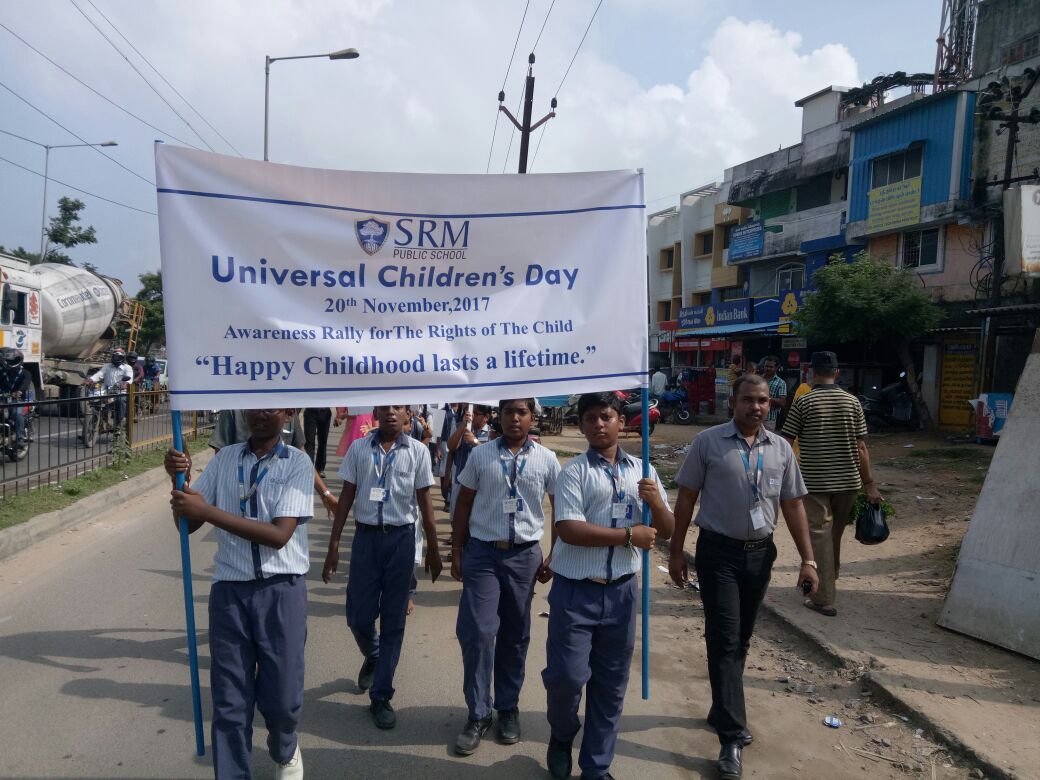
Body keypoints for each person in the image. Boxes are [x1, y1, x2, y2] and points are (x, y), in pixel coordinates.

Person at [670, 374, 818, 779]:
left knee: (742, 637)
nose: (757, 407)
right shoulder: (708, 443)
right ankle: (732, 737)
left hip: (760, 555)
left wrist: (809, 560)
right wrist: (675, 551)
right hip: (718, 553)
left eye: (764, 401)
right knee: (725, 638)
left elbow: (793, 506)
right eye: (749, 400)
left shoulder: (781, 449)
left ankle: (722, 706)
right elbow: (686, 498)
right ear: (732, 402)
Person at [164, 409, 313, 780]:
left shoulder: (297, 463)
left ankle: (285, 748)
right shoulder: (226, 458)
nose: (260, 414)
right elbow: (189, 521)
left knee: (282, 700)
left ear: (289, 414)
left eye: (272, 407)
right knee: (230, 701)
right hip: (230, 591)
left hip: (282, 590)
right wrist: (177, 484)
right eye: (253, 405)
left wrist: (207, 510)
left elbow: (279, 536)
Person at [542, 392, 674, 780]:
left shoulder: (644, 469)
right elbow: (568, 529)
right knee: (566, 678)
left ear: (621, 421)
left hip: (621, 591)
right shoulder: (574, 472)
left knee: (611, 684)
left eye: (606, 416)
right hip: (575, 591)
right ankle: (563, 734)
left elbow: (663, 531)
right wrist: (628, 535)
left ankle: (596, 768)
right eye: (590, 418)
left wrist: (658, 504)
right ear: (581, 426)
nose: (599, 424)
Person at [450, 398, 561, 757]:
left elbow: (561, 505)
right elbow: (463, 503)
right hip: (483, 553)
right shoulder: (481, 455)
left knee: (515, 634)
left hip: (524, 556)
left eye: (522, 412)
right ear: (499, 415)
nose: (515, 418)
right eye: (509, 411)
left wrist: (554, 554)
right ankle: (478, 712)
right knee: (479, 631)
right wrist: (457, 551)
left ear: (532, 417)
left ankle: (508, 708)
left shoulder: (547, 459)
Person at [322, 404, 443, 730]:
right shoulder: (359, 448)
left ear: (409, 416)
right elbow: (347, 496)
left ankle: (382, 694)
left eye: (399, 408)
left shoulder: (418, 451)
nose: (391, 412)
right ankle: (372, 653)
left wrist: (433, 547)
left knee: (393, 621)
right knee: (358, 616)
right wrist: (334, 545)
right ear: (376, 411)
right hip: (366, 541)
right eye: (385, 407)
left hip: (401, 542)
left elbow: (425, 502)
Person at [780, 351, 881, 617]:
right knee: (833, 534)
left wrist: (782, 476)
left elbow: (786, 443)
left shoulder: (804, 402)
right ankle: (828, 580)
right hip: (849, 481)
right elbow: (861, 447)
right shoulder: (852, 402)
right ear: (837, 373)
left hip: (815, 481)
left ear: (812, 372)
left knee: (819, 535)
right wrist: (869, 483)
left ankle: (823, 597)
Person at [211, 409, 338, 519]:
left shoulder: (284, 409)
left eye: (269, 410)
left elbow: (301, 453)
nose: (260, 416)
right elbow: (221, 457)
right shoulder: (233, 409)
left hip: (280, 504)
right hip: (239, 502)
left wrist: (325, 493)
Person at [87, 348, 134, 429]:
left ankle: (119, 424)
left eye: (117, 357)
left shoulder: (127, 368)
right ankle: (96, 421)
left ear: (122, 358)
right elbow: (99, 374)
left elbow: (129, 379)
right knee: (95, 400)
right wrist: (91, 379)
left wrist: (125, 384)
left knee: (120, 401)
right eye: (114, 356)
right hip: (106, 390)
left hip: (120, 391)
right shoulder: (107, 366)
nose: (115, 358)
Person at [0, 347, 33, 445]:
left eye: (10, 361)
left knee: (16, 413)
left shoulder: (26, 374)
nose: (7, 362)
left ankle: (20, 438)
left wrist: (18, 392)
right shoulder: (2, 372)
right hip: (3, 399)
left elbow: (24, 386)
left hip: (19, 400)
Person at [759, 356, 787, 431]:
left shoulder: (781, 383)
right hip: (755, 417)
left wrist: (766, 398)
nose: (768, 368)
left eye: (771, 367)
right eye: (766, 366)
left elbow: (782, 402)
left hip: (769, 420)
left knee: (766, 442)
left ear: (776, 368)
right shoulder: (758, 379)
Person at [303, 407, 333, 477]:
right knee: (309, 441)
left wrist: (339, 414)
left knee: (323, 441)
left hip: (325, 412)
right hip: (310, 411)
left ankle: (320, 469)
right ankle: (309, 467)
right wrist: (296, 414)